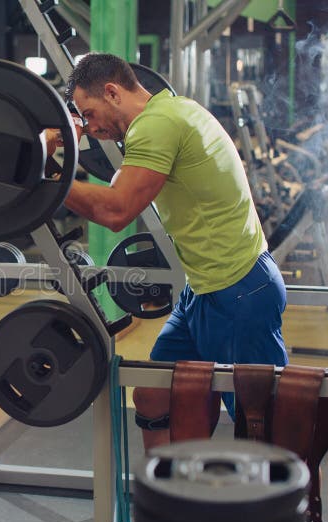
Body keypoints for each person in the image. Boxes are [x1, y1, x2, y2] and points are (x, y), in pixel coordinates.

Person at [49, 53, 288, 450]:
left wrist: (43, 177)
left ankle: (284, 510)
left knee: (259, 421)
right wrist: (65, 143)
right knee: (153, 393)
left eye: (90, 114)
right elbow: (115, 186)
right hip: (204, 290)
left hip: (238, 290)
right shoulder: (173, 110)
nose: (90, 128)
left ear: (112, 92)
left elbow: (115, 210)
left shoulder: (156, 125)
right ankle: (169, 500)